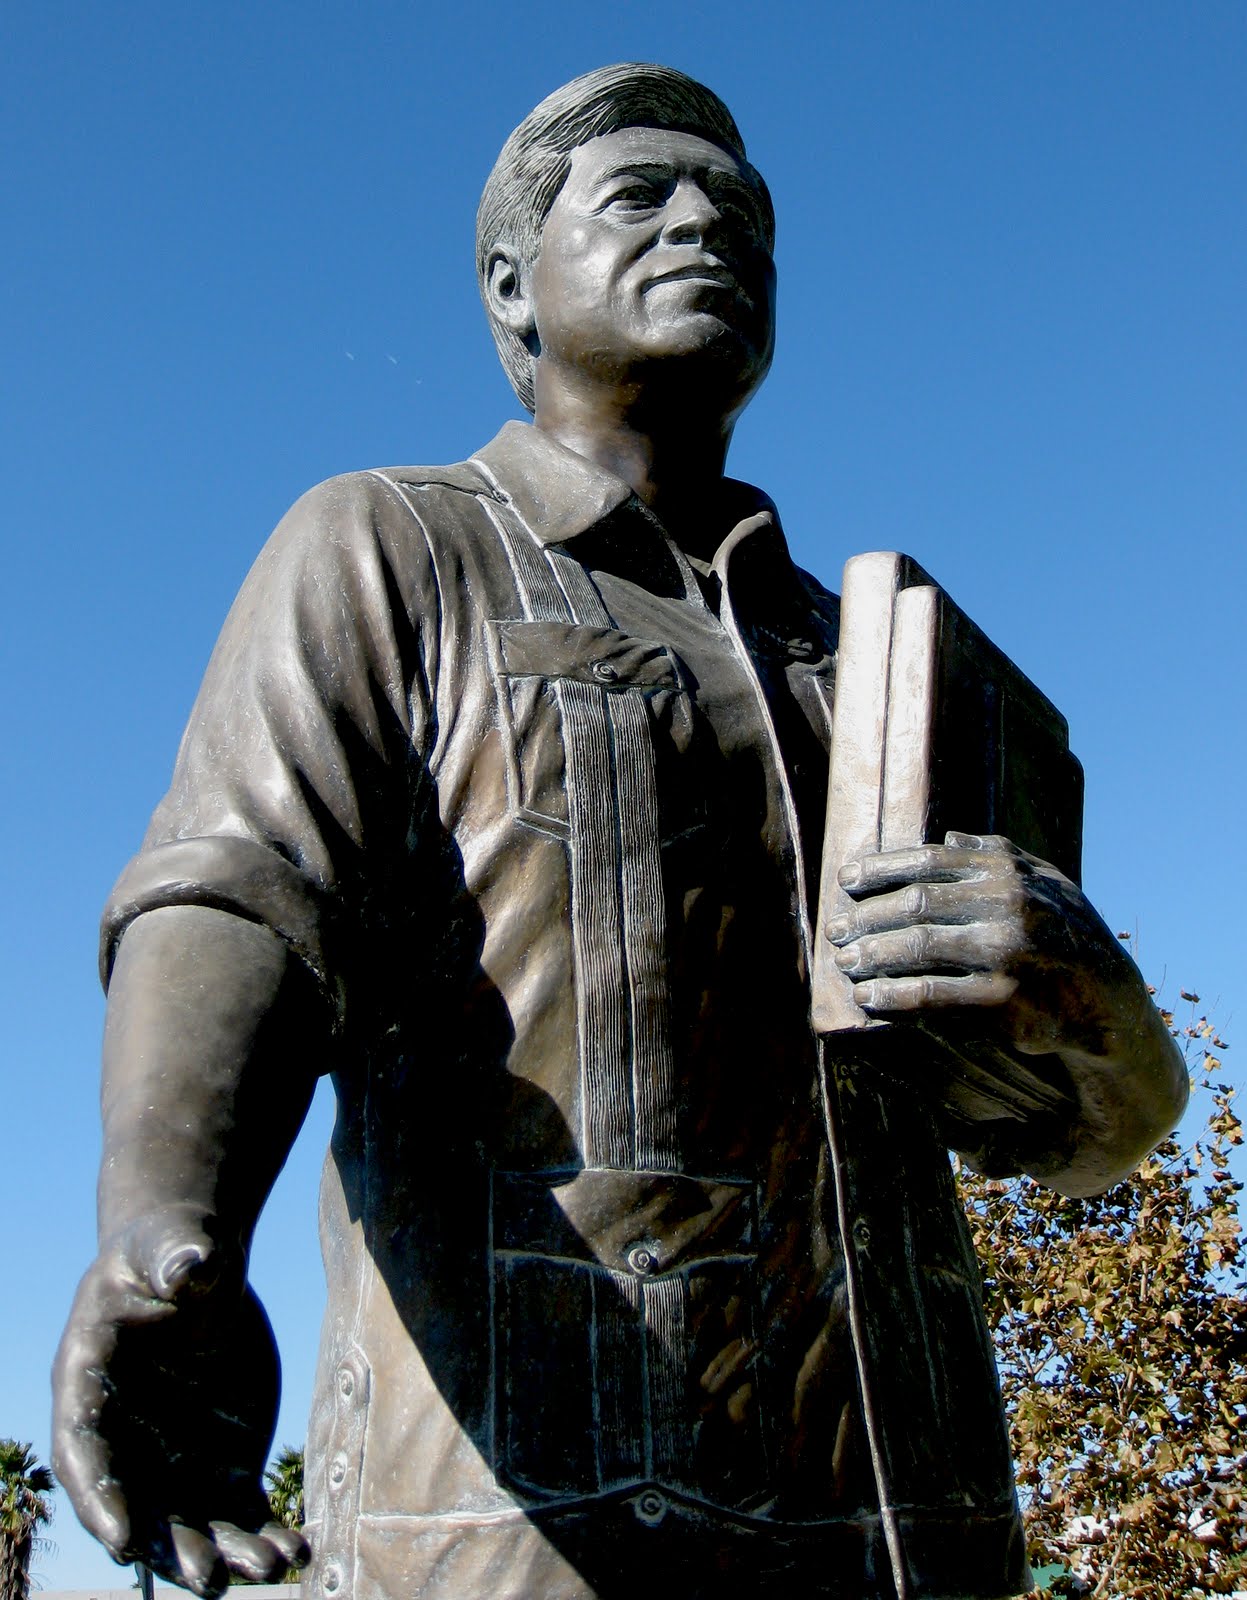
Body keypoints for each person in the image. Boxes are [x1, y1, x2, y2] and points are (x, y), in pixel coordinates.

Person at [52, 63, 1187, 1600]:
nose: (706, 221)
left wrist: (1097, 1007)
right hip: (529, 1532)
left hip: (916, 1531)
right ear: (513, 291)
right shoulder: (393, 545)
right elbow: (241, 893)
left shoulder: (889, 667)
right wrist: (164, 1230)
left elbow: (1069, 1134)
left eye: (742, 212)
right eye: (641, 196)